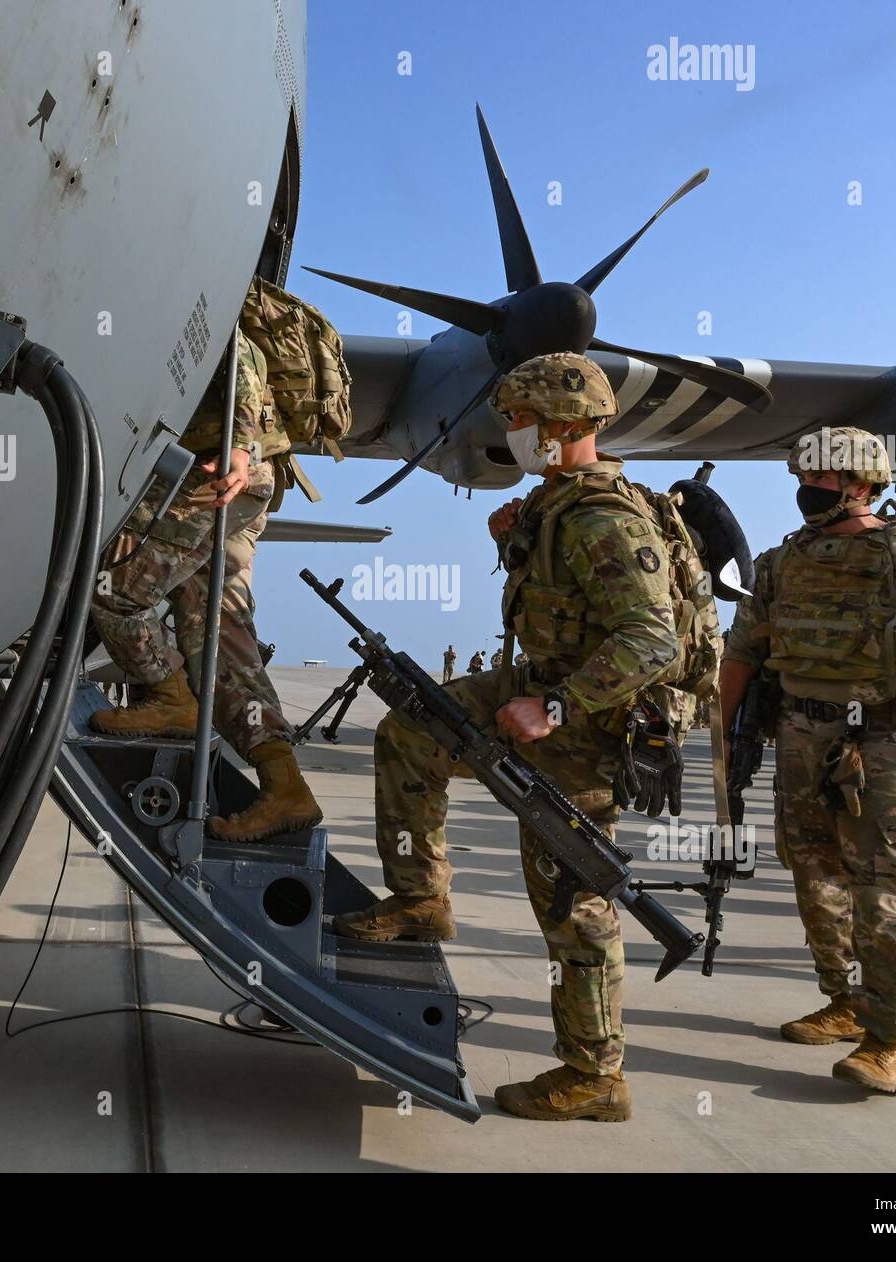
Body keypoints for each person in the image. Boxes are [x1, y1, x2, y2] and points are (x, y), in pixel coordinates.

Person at [334, 352, 684, 1121]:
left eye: (522, 422)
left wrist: (554, 708)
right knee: (410, 727)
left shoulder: (604, 518)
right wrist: (512, 542)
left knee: (572, 897)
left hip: (589, 718)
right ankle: (423, 898)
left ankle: (596, 1077)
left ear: (564, 425)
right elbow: (565, 609)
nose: (512, 435)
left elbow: (655, 641)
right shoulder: (557, 505)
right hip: (546, 681)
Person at [721, 427, 896, 1094]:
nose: (808, 492)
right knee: (814, 879)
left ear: (863, 485)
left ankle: (889, 1041)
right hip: (803, 737)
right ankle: (843, 1000)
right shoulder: (784, 559)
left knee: (887, 889)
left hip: (891, 743)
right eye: (804, 478)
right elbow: (743, 651)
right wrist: (726, 735)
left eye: (823, 480)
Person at [88, 328, 322, 843]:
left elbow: (240, 363)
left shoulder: (217, 314)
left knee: (114, 588)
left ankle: (170, 694)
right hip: (246, 482)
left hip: (217, 479)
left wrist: (237, 449)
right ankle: (284, 784)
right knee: (220, 633)